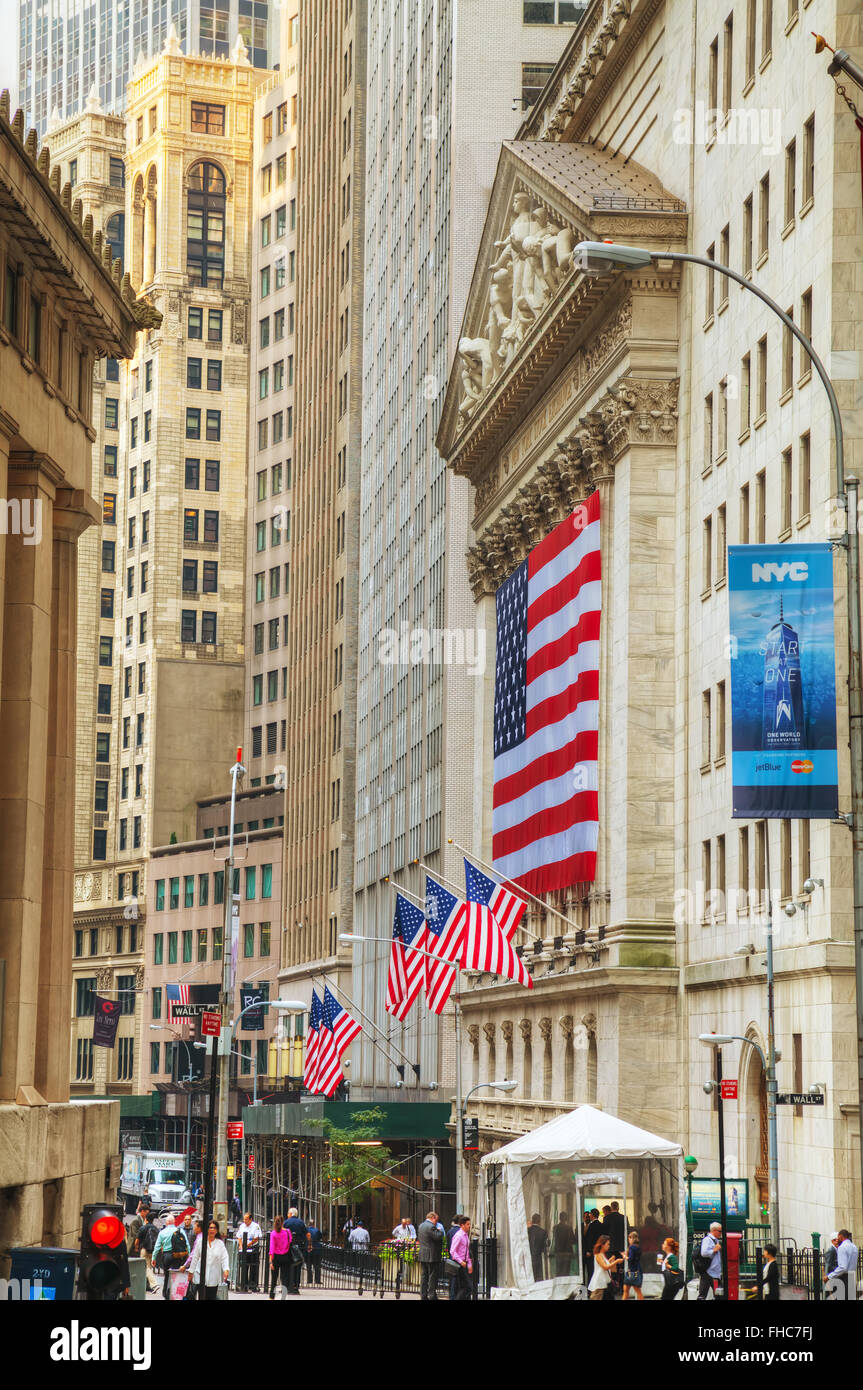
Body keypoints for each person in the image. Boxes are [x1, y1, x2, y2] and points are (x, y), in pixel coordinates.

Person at [188, 1218, 230, 1300]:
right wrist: (191, 1271)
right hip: (201, 1275)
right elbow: (195, 1257)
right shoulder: (201, 1242)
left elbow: (224, 1257)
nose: (212, 1230)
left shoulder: (220, 1243)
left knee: (211, 1297)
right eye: (210, 1228)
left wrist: (226, 1269)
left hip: (214, 1277)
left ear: (217, 1230)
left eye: (214, 1228)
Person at [417, 1210, 444, 1301]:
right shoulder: (431, 1227)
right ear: (432, 1218)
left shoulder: (421, 1226)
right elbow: (438, 1237)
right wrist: (440, 1231)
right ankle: (432, 1295)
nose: (436, 1222)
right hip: (432, 1255)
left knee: (424, 1276)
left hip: (423, 1254)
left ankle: (423, 1295)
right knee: (432, 1276)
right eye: (436, 1220)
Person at [235, 1211, 263, 1292]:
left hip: (253, 1248)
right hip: (244, 1249)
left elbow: (256, 1238)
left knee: (254, 1267)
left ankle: (253, 1285)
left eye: (246, 1219)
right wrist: (241, 1245)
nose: (245, 1221)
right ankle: (244, 1284)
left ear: (251, 1219)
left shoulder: (255, 1226)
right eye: (244, 1219)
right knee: (244, 1266)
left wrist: (248, 1244)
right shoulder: (242, 1226)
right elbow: (239, 1236)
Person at [588, 1235, 622, 1301]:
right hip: (599, 1284)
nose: (609, 1246)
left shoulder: (602, 1255)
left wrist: (610, 1261)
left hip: (603, 1283)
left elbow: (603, 1266)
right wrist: (616, 1261)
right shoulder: (598, 1255)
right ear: (602, 1244)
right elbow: (605, 1267)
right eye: (608, 1244)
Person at [284, 1207, 309, 1295]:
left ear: (291, 1214)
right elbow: (307, 1234)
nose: (287, 1215)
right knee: (297, 1267)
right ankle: (296, 1286)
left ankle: (287, 1285)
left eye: (288, 1213)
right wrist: (308, 1244)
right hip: (299, 1247)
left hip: (287, 1247)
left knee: (287, 1266)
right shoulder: (301, 1222)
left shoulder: (286, 1222)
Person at [269, 1215, 293, 1299]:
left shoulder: (273, 1233)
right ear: (283, 1222)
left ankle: (272, 1296)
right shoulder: (287, 1232)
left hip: (276, 1257)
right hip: (285, 1257)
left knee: (274, 1278)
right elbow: (290, 1241)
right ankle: (283, 1296)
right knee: (285, 1278)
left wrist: (271, 1261)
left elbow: (271, 1247)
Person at [152, 1216, 176, 1300]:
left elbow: (157, 1247)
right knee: (175, 1275)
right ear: (174, 1222)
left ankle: (166, 1293)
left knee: (167, 1275)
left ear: (167, 1222)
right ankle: (174, 1293)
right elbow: (187, 1245)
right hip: (177, 1256)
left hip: (167, 1255)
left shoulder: (162, 1232)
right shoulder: (180, 1231)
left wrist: (153, 1258)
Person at [697, 1222, 723, 1300]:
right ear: (714, 1230)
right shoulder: (707, 1240)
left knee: (719, 1295)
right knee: (702, 1296)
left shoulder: (715, 1241)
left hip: (714, 1273)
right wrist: (714, 1250)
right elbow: (704, 1253)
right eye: (719, 1231)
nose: (721, 1233)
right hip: (708, 1272)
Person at [450, 1216, 473, 1300]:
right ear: (462, 1225)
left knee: (466, 1287)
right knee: (466, 1287)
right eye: (467, 1224)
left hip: (465, 1263)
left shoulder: (465, 1235)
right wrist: (460, 1261)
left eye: (469, 1224)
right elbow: (452, 1251)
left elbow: (467, 1251)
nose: (469, 1226)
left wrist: (469, 1264)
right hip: (460, 1264)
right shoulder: (458, 1236)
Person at [831, 1229, 858, 1300]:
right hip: (852, 1276)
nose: (837, 1239)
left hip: (844, 1278)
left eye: (838, 1237)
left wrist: (829, 1276)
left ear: (840, 1236)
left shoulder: (842, 1247)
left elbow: (843, 1267)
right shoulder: (854, 1247)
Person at [139, 1208, 161, 1292]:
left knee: (146, 1268)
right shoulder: (156, 1229)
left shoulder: (143, 1228)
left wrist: (136, 1247)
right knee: (149, 1268)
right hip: (152, 1251)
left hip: (144, 1250)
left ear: (146, 1219)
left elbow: (137, 1240)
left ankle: (154, 1284)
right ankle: (146, 1285)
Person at [550, 1211, 575, 1279]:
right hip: (567, 1253)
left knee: (559, 1271)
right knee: (566, 1271)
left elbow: (555, 1240)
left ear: (559, 1218)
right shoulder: (569, 1228)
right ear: (566, 1218)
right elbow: (572, 1240)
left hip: (559, 1252)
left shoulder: (555, 1227)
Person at [583, 1209, 604, 1286]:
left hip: (592, 1252)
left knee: (591, 1271)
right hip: (599, 1251)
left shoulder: (592, 1226)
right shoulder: (601, 1225)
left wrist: (589, 1251)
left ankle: (590, 1289)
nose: (589, 1216)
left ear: (593, 1215)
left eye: (590, 1214)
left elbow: (590, 1239)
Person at [621, 1230, 643, 1301]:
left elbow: (630, 1259)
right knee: (637, 1291)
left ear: (631, 1238)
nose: (628, 1240)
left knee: (626, 1291)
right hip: (637, 1270)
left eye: (629, 1238)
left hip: (632, 1271)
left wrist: (624, 1256)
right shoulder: (638, 1248)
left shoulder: (631, 1248)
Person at [527, 1213, 548, 1283]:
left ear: (532, 1220)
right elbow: (544, 1246)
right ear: (539, 1221)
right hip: (538, 1257)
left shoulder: (527, 1231)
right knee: (538, 1276)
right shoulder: (543, 1232)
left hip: (529, 1256)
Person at [305, 1220, 323, 1286]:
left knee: (309, 1266)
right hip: (316, 1250)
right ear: (313, 1224)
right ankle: (317, 1280)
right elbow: (320, 1237)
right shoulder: (317, 1230)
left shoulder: (306, 1230)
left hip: (308, 1250)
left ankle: (309, 1280)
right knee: (317, 1266)